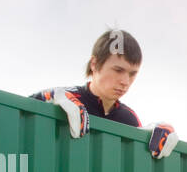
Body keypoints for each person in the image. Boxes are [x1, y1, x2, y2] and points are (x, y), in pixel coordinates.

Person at [30, 28, 178, 158]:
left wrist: (157, 138)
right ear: (94, 64)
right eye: (118, 70)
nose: (125, 81)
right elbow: (14, 119)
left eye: (132, 74)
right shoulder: (64, 98)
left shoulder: (130, 119)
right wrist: (44, 99)